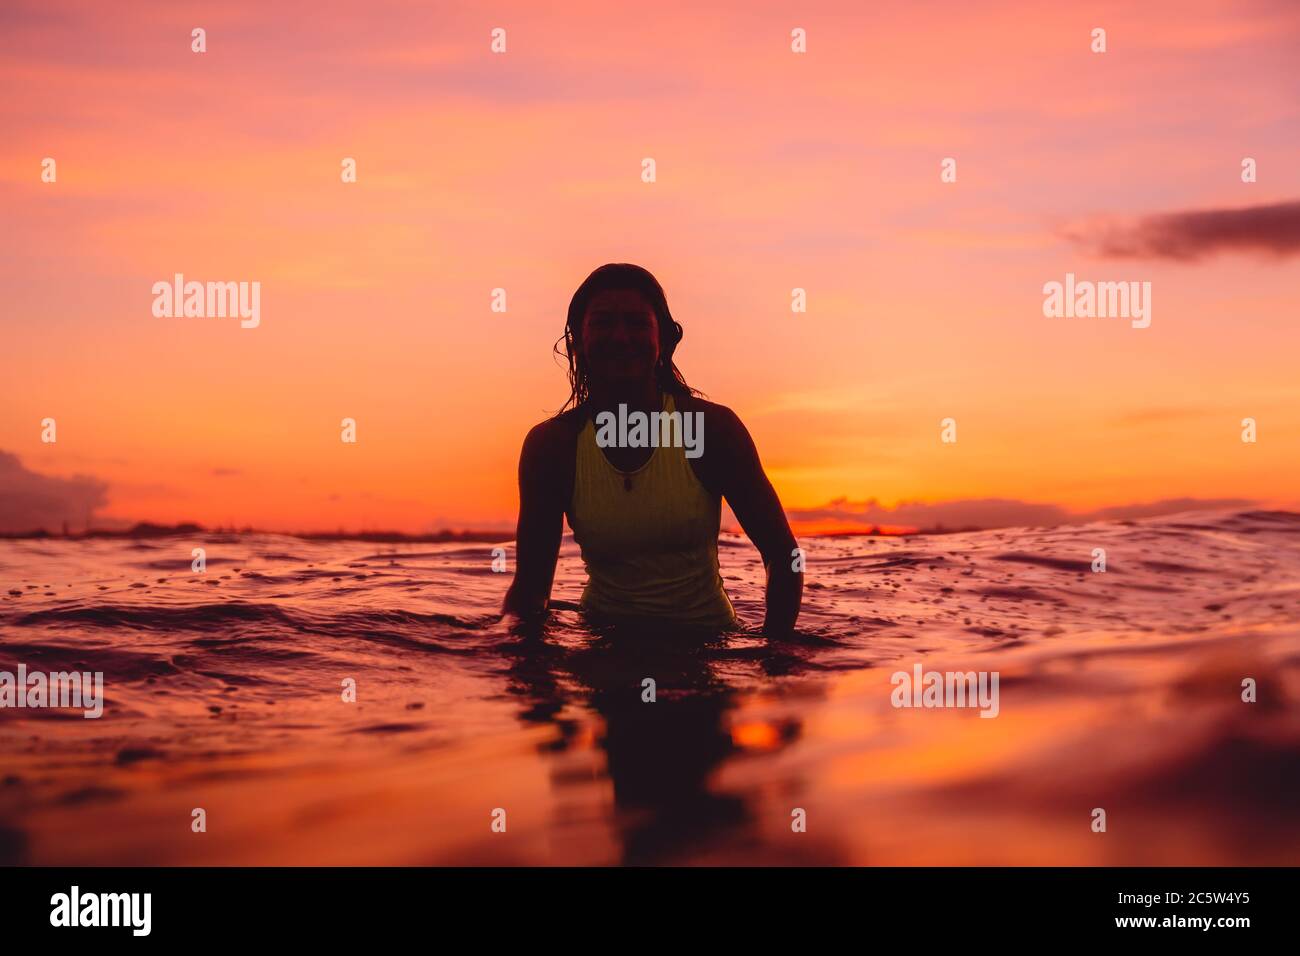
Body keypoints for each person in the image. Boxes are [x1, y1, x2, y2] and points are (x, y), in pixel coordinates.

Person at [502, 263, 802, 636]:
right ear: (577, 339)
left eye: (637, 323)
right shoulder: (553, 446)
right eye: (604, 323)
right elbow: (531, 592)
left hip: (706, 647)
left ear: (664, 339)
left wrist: (774, 655)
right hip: (602, 645)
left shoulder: (711, 429)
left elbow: (784, 556)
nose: (621, 337)